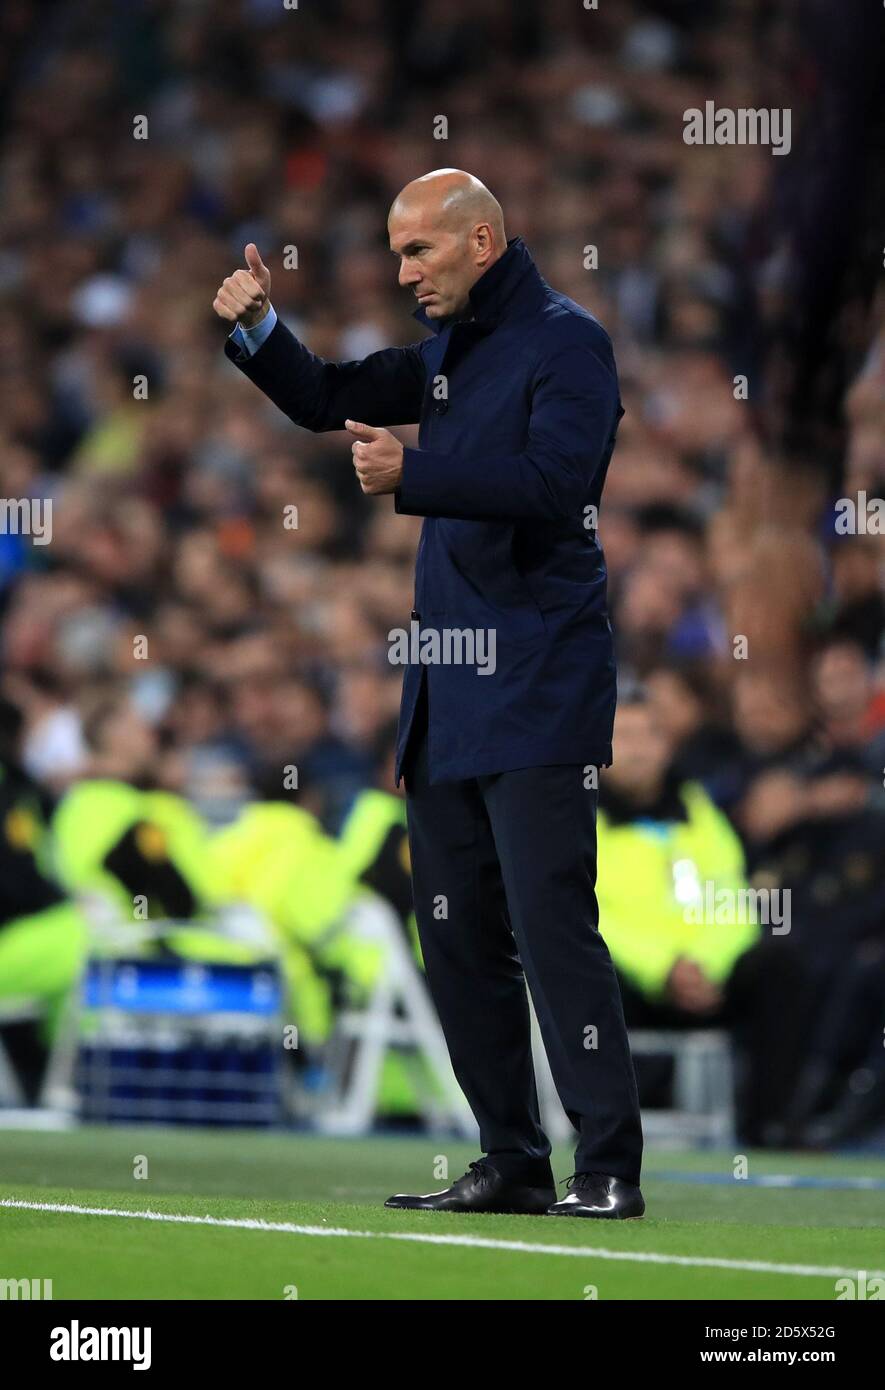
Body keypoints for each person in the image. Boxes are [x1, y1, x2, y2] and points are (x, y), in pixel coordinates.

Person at [214, 169, 644, 1219]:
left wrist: (414, 476)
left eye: (420, 252)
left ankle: (610, 1166)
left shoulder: (566, 341)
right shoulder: (451, 350)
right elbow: (326, 396)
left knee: (551, 928)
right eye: (398, 252)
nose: (403, 272)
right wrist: (261, 331)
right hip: (450, 689)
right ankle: (511, 1154)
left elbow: (560, 485)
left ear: (483, 241)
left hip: (540, 684)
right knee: (451, 933)